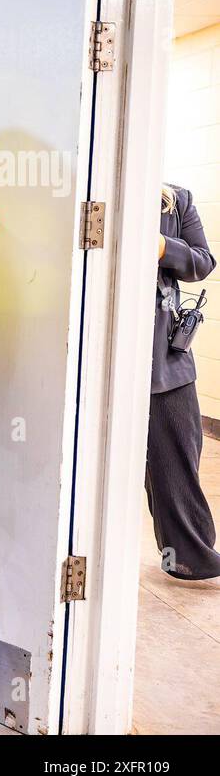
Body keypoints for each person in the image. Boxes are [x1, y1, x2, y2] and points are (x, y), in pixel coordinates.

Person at [147, 184, 220, 580]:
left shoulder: (177, 200)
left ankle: (192, 556)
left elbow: (202, 262)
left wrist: (162, 247)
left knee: (178, 453)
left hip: (166, 358)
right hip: (106, 356)